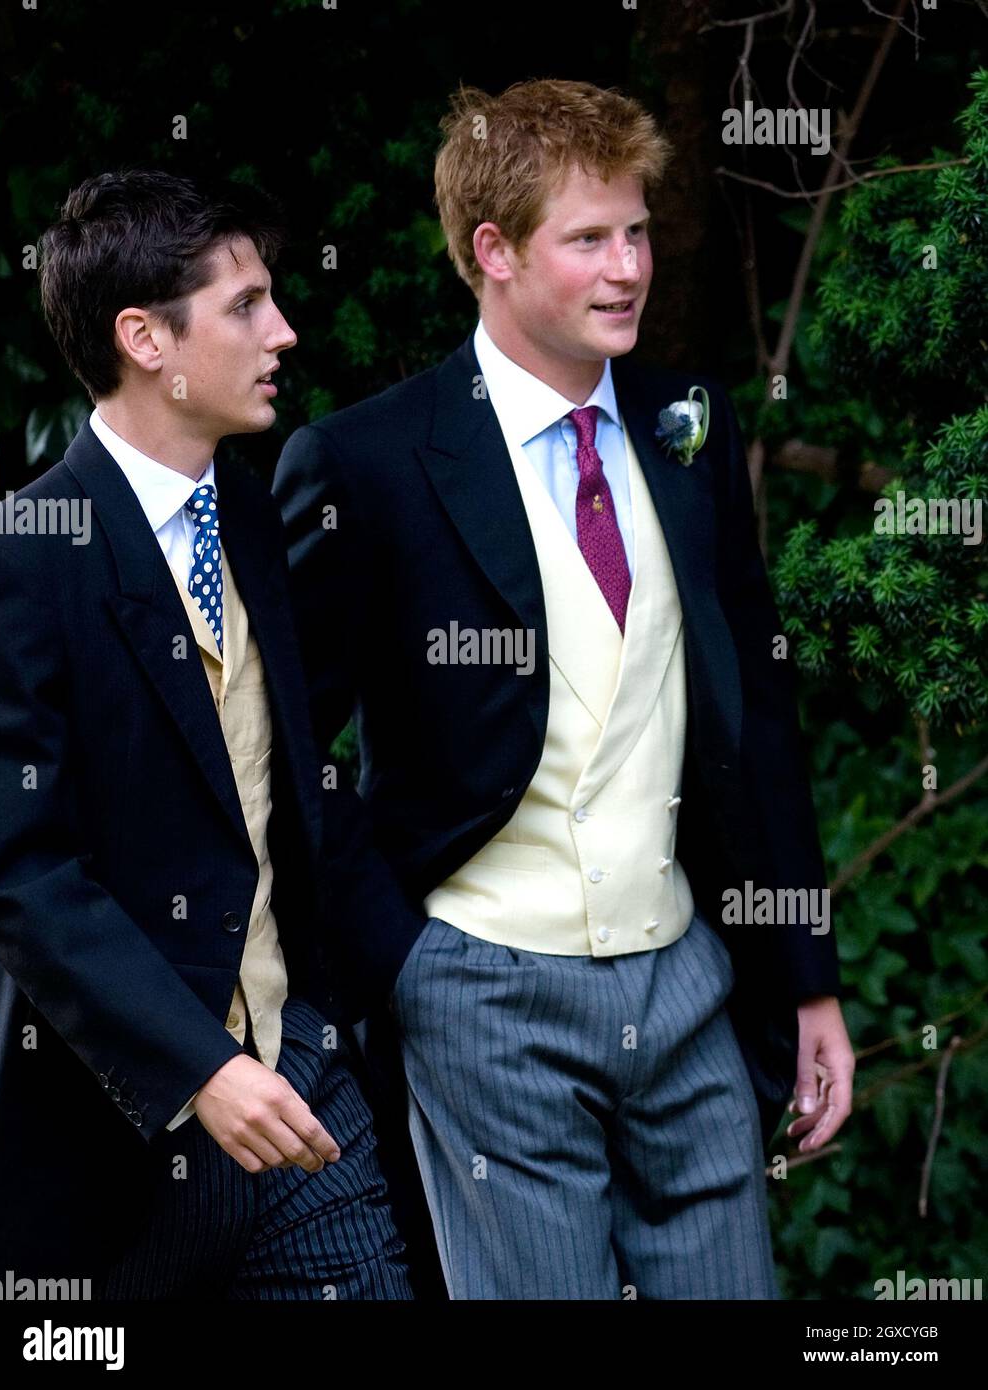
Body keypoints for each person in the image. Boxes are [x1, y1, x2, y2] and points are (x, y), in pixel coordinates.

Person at [273, 78, 855, 1300]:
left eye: (636, 231)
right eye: (588, 238)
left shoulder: (687, 427)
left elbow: (754, 714)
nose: (627, 265)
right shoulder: (367, 460)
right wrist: (404, 963)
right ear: (492, 251)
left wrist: (808, 978)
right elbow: (285, 740)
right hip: (484, 988)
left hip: (687, 979)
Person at [0, 169, 412, 1300]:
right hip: (101, 1150)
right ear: (145, 339)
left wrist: (419, 977)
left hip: (301, 1093)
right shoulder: (16, 557)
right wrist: (198, 1064)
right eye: (246, 306)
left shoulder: (254, 521)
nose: (284, 329)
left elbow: (294, 788)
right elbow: (21, 874)